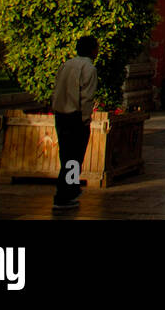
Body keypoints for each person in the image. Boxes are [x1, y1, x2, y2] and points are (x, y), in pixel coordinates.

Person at [51, 36, 98, 210]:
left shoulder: (66, 64)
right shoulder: (89, 68)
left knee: (66, 156)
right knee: (74, 158)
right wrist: (86, 119)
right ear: (92, 50)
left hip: (61, 115)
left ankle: (67, 191)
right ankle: (66, 194)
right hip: (76, 117)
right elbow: (86, 97)